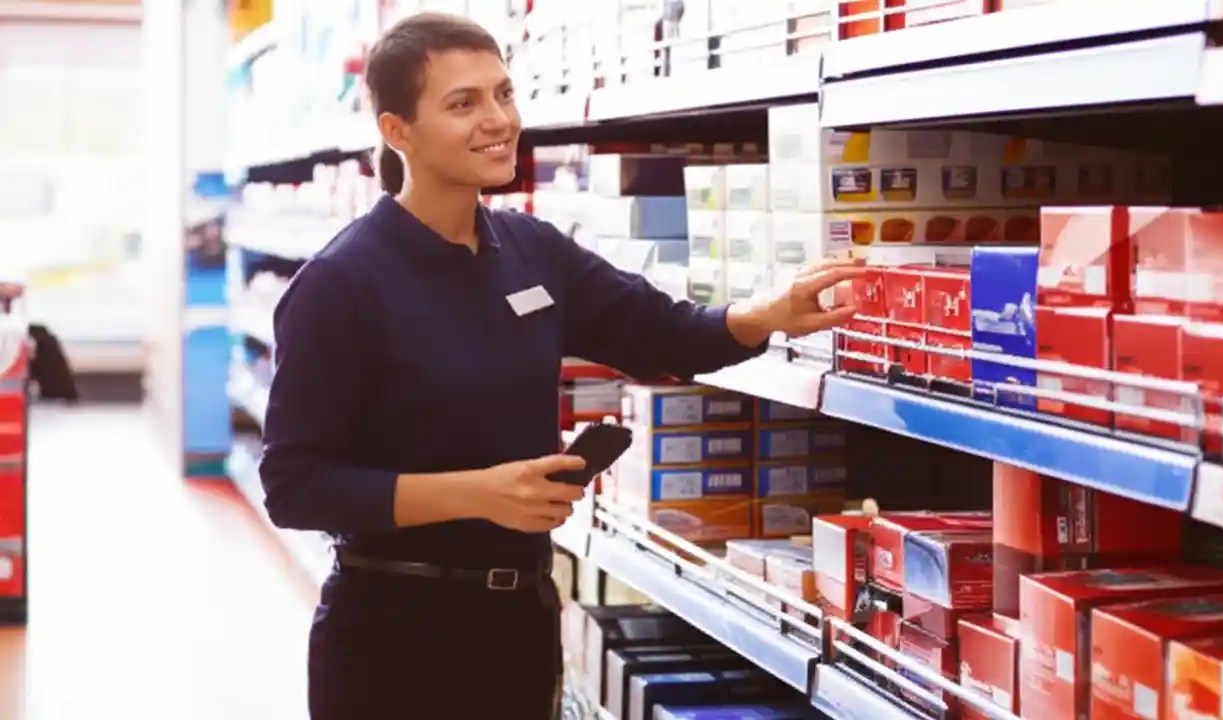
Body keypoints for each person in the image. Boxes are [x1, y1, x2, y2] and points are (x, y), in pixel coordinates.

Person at [259, 12, 860, 720]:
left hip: (520, 624)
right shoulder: (341, 283)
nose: (498, 120)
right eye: (463, 103)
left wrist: (768, 314)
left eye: (503, 94)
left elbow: (664, 333)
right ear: (398, 131)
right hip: (394, 635)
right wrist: (478, 494)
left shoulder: (531, 251)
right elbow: (295, 486)